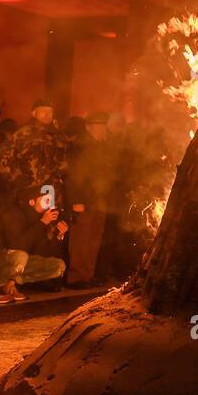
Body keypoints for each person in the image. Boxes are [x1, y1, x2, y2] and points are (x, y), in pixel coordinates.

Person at [0, 186, 68, 304]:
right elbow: (17, 245)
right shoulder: (13, 214)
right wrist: (42, 223)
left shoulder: (40, 220)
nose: (51, 205)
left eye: (52, 201)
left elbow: (43, 253)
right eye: (47, 200)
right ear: (32, 201)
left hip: (18, 262)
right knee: (21, 256)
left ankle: (11, 284)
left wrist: (58, 235)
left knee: (59, 266)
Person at [66, 112, 119, 287]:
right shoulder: (79, 147)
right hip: (85, 200)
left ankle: (87, 275)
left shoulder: (102, 147)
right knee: (81, 239)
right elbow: (74, 177)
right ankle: (76, 277)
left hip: (99, 200)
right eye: (98, 126)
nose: (102, 130)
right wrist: (76, 201)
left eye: (103, 126)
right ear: (89, 127)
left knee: (93, 239)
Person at [0, 99, 70, 201]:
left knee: (52, 216)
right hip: (28, 191)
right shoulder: (22, 134)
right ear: (33, 113)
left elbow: (65, 161)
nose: (47, 114)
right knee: (31, 216)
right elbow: (4, 158)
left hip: (53, 191)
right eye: (43, 111)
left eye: (50, 111)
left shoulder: (59, 136)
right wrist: (15, 180)